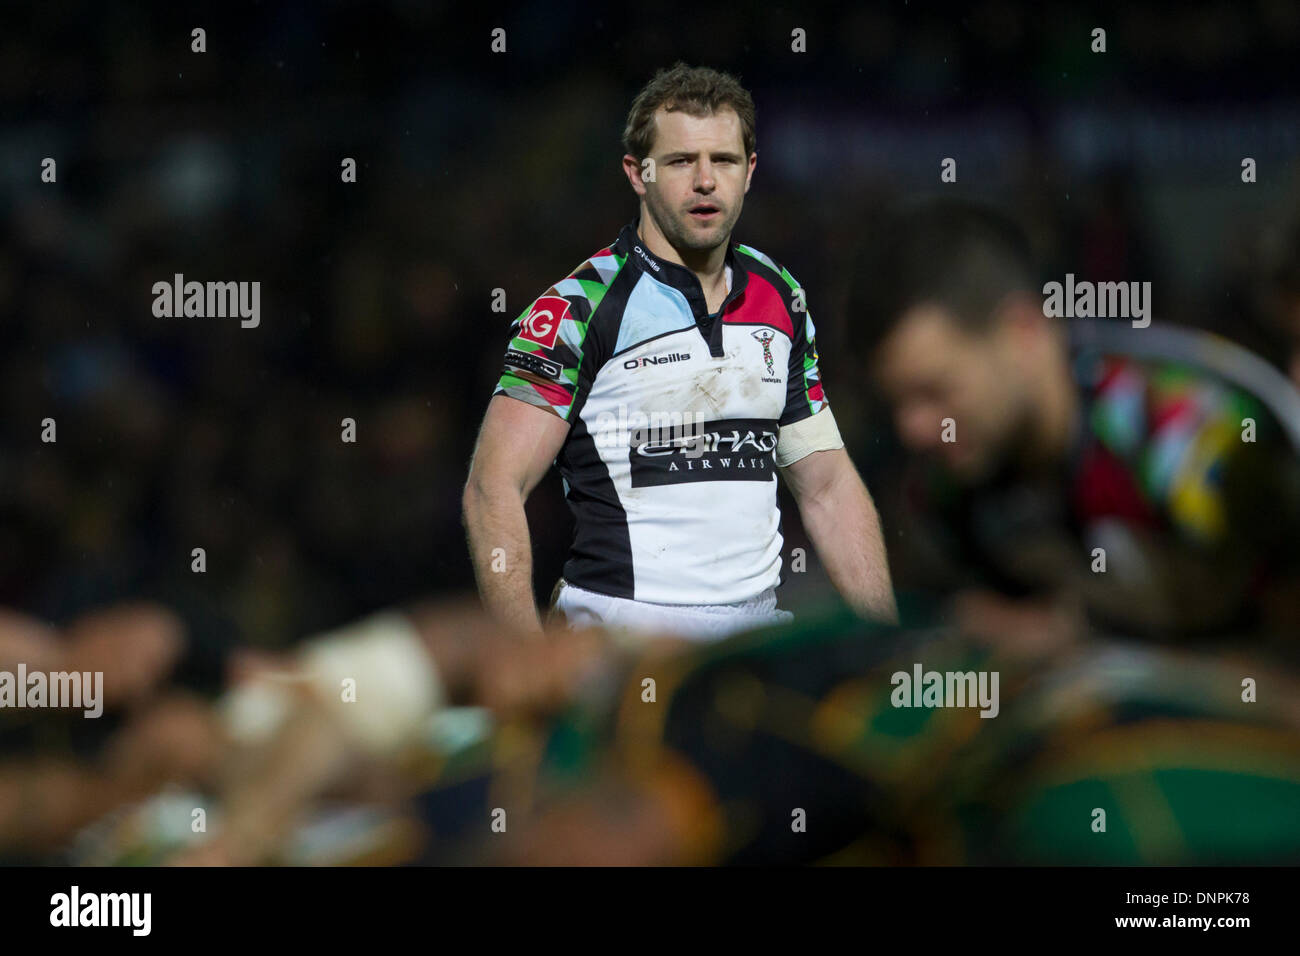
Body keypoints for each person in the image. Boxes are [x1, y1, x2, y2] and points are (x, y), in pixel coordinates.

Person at [463, 63, 897, 641]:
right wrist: (525, 664)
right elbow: (493, 488)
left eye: (723, 160)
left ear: (750, 171)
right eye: (679, 161)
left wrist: (889, 645)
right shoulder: (577, 307)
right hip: (616, 645)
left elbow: (826, 487)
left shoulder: (779, 295)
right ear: (636, 173)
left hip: (750, 646)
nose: (705, 181)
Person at [852, 199, 1300, 651]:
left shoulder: (1185, 435)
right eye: (898, 403)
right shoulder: (945, 490)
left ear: (1023, 332)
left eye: (934, 391)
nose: (913, 429)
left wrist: (1076, 641)